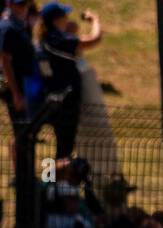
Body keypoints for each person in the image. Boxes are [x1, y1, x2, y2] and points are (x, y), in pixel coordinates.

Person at [36, 2, 101, 158]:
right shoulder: (59, 39)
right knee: (64, 148)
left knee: (62, 147)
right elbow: (93, 39)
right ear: (56, 19)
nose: (66, 18)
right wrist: (95, 20)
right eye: (63, 15)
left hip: (53, 97)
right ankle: (54, 180)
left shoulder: (46, 38)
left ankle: (53, 180)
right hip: (66, 99)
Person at [0, 0, 36, 159]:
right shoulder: (8, 27)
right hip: (16, 89)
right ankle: (21, 177)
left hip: (26, 85)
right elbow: (5, 60)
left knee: (27, 132)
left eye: (25, 5)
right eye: (20, 5)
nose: (24, 8)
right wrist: (16, 94)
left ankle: (27, 176)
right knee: (22, 132)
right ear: (10, 5)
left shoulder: (20, 25)